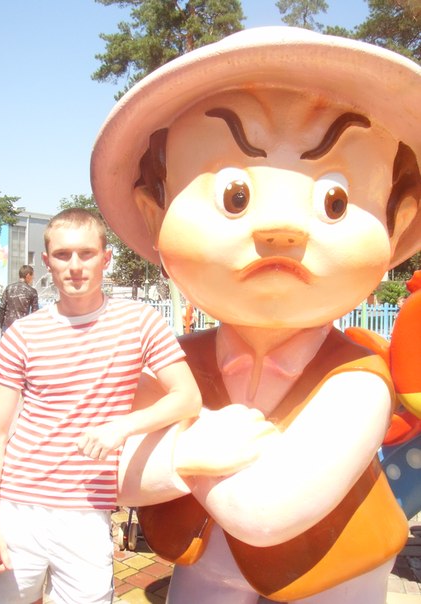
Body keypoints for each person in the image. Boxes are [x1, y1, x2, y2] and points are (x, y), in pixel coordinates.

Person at [90, 26, 421, 604]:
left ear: (396, 227)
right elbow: (108, 470)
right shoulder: (173, 361)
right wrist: (186, 453)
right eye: (235, 197)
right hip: (203, 570)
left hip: (333, 574)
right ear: (155, 217)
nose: (281, 228)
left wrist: (175, 450)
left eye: (334, 202)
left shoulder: (359, 381)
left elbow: (265, 511)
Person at [0, 208, 202, 604]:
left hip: (89, 507)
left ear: (105, 257)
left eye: (86, 253)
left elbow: (187, 397)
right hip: (18, 505)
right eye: (63, 255)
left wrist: (121, 427)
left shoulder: (140, 321)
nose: (75, 266)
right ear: (47, 262)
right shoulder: (24, 335)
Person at [0, 265, 39, 334]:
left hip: (7, 325)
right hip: (22, 327)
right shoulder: (32, 291)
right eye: (32, 276)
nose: (33, 278)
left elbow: (2, 308)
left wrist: (2, 324)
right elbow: (35, 313)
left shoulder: (8, 288)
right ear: (28, 275)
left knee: (6, 342)